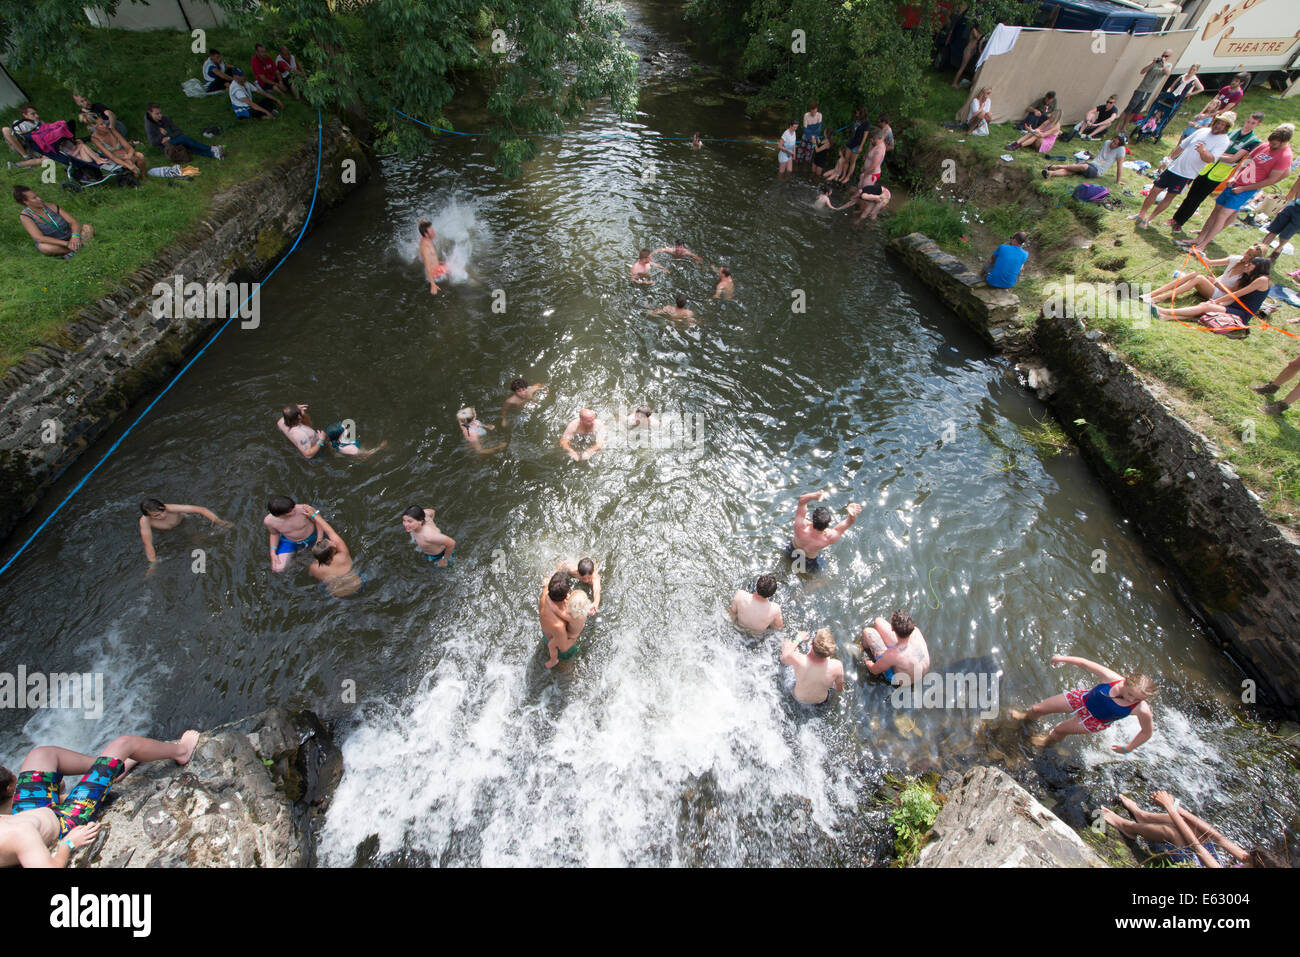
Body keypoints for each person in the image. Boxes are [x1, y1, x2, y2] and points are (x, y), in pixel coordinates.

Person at [0, 730, 199, 868]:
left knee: (42, 754)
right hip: (65, 820)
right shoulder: (20, 834)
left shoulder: (16, 830)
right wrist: (68, 844)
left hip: (30, 814)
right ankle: (181, 751)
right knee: (125, 743)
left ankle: (108, 770)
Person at [1178, 127, 1294, 253]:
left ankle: (1202, 246)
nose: (1271, 146)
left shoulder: (1285, 156)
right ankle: (1199, 239)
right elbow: (1247, 161)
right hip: (1235, 183)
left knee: (1222, 215)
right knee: (1216, 211)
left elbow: (1271, 180)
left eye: (1274, 144)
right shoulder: (1265, 146)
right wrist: (1234, 176)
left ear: (1284, 141)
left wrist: (1244, 188)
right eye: (1270, 142)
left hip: (1247, 189)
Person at [1011, 654, 1156, 751]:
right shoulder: (1113, 679)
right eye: (1130, 694)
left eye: (1137, 699)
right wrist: (1061, 658)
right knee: (1037, 709)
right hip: (1081, 699)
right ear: (1125, 682)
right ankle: (1026, 717)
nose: (1131, 700)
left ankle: (1047, 742)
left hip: (1094, 720)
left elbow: (1146, 732)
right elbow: (1085, 663)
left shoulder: (1142, 710)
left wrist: (1128, 748)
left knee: (1060, 729)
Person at [1101, 791, 1278, 868]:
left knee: (1175, 833)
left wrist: (1169, 808)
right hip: (1203, 857)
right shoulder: (1249, 860)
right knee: (1195, 828)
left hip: (1194, 864)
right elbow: (1219, 837)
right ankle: (1142, 815)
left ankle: (1127, 827)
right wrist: (1179, 810)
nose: (1245, 856)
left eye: (1249, 861)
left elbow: (1196, 847)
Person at [1130, 113, 1234, 228]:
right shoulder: (1202, 131)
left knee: (1169, 196)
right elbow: (1182, 145)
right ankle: (1141, 214)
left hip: (1187, 174)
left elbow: (1211, 159)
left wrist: (1202, 151)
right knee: (1154, 190)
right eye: (1218, 122)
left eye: (1222, 124)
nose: (1218, 126)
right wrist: (1168, 159)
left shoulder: (1223, 141)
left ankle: (1149, 219)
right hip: (1174, 168)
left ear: (1226, 127)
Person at [1169, 111, 1264, 234]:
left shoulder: (1253, 141)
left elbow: (1234, 158)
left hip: (1218, 174)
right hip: (1206, 168)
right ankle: (1175, 218)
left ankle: (1180, 222)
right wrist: (1213, 154)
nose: (1248, 124)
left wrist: (1214, 155)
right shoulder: (1232, 132)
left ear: (1257, 124)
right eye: (1248, 121)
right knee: (1190, 195)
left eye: (1253, 123)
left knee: (1197, 199)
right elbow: (1217, 149)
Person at [1151, 257, 1272, 337]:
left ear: (1258, 266)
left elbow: (1237, 294)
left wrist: (1217, 301)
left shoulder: (1262, 280)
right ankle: (1165, 316)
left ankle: (1164, 311)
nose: (1247, 265)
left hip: (1241, 313)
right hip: (1233, 306)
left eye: (1251, 264)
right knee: (1204, 308)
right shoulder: (1252, 277)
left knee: (1206, 306)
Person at [1141, 243, 1267, 304]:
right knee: (1194, 274)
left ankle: (1160, 298)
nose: (1246, 256)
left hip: (1220, 295)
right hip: (1215, 285)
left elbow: (1232, 293)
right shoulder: (1236, 259)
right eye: (1247, 253)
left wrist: (1216, 282)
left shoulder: (1249, 274)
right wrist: (1200, 255)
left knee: (1199, 278)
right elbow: (1209, 263)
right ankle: (1153, 293)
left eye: (1250, 256)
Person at [137, 498, 230, 563]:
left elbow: (201, 509)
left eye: (163, 511)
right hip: (168, 532)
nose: (163, 515)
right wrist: (153, 563)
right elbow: (148, 544)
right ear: (148, 516)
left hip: (184, 523)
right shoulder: (145, 521)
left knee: (195, 540)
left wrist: (219, 521)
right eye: (157, 515)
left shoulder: (170, 508)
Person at [787, 490, 862, 571]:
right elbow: (848, 522)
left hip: (792, 550)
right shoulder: (830, 537)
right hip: (809, 560)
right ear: (828, 524)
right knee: (820, 573)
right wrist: (851, 514)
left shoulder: (800, 526)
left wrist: (816, 495)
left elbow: (802, 501)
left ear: (813, 518)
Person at [14, 186, 93, 259]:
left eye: (37, 195)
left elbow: (73, 221)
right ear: (26, 202)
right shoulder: (25, 217)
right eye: (34, 198)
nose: (39, 199)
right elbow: (39, 238)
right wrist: (66, 244)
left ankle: (77, 248)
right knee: (44, 247)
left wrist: (75, 236)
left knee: (87, 227)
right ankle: (72, 250)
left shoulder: (51, 206)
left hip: (70, 235)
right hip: (55, 243)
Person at [858, 610, 931, 686]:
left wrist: (866, 661)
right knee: (878, 621)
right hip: (921, 670)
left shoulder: (893, 655)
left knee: (867, 632)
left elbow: (874, 670)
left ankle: (863, 646)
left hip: (902, 680)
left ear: (892, 628)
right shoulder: (916, 631)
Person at [780, 629, 845, 705]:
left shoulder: (799, 659)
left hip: (798, 699)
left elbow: (784, 658)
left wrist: (798, 639)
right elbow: (839, 689)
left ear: (811, 643)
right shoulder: (837, 666)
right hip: (820, 702)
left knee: (787, 645)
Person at [144, 103, 225, 160]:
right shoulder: (149, 125)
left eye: (160, 113)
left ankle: (213, 154)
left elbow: (178, 131)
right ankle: (211, 148)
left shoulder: (165, 118)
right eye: (157, 114)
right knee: (184, 139)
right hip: (165, 145)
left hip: (171, 138)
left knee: (188, 146)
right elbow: (153, 143)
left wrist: (169, 137)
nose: (160, 115)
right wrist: (162, 135)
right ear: (150, 113)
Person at [1118, 49, 1173, 132]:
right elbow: (1142, 71)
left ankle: (1124, 126)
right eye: (1163, 55)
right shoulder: (1154, 62)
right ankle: (1118, 125)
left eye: (1166, 56)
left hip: (1149, 91)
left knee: (1136, 110)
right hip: (1141, 89)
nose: (1163, 57)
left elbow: (1167, 74)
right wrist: (1152, 63)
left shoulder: (1168, 65)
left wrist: (1163, 65)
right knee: (1130, 107)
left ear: (1169, 57)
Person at [264, 496, 324, 572]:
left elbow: (319, 522)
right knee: (278, 568)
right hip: (289, 541)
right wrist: (272, 552)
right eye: (290, 511)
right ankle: (299, 562)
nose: (294, 510)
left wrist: (319, 539)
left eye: (293, 506)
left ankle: (305, 561)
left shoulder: (304, 509)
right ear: (279, 515)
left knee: (324, 558)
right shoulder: (269, 521)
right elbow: (274, 534)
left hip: (313, 536)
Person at [1042, 132, 1126, 186]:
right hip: (1091, 164)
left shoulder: (1120, 150)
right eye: (1113, 140)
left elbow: (1119, 167)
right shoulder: (1107, 142)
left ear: (1119, 145)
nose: (1112, 143)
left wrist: (1118, 181)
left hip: (1097, 171)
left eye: (1115, 143)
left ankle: (1056, 166)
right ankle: (1050, 173)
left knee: (1083, 166)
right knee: (1071, 170)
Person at [307, 515, 362, 597]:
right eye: (333, 544)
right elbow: (330, 532)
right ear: (332, 553)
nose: (335, 543)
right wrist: (315, 515)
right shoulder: (343, 556)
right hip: (358, 587)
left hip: (337, 594)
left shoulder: (314, 568)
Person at [540, 571, 585, 667]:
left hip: (547, 633)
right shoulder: (559, 625)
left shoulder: (545, 593)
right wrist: (574, 638)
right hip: (561, 644)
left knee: (549, 645)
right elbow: (564, 648)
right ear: (568, 592)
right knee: (567, 668)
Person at [87, 112, 146, 179]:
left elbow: (129, 147)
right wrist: (127, 164)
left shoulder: (111, 131)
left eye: (104, 122)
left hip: (125, 155)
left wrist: (128, 156)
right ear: (95, 126)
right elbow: (111, 156)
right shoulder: (95, 139)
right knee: (133, 169)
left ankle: (143, 176)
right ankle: (134, 177)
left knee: (140, 156)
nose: (105, 125)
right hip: (113, 160)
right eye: (101, 124)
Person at [1258, 171, 1300, 258]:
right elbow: (1293, 189)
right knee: (1274, 229)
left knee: (1286, 234)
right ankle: (1260, 251)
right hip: (1294, 205)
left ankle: (1278, 249)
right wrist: (1284, 204)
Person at [416, 219, 447, 294]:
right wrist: (433, 284)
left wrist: (422, 221)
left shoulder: (425, 238)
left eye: (433, 230)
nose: (434, 232)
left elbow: (431, 258)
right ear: (426, 234)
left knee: (456, 265)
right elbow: (427, 265)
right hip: (436, 273)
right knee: (458, 270)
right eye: (431, 232)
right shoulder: (426, 247)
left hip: (438, 267)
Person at [797, 101, 822, 171]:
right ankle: (797, 168)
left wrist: (811, 130)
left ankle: (804, 171)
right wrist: (813, 131)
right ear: (810, 109)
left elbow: (819, 129)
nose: (813, 112)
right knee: (799, 153)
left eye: (814, 110)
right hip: (806, 137)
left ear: (817, 109)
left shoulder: (819, 115)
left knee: (808, 155)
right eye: (812, 110)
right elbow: (805, 129)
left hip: (813, 139)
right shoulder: (806, 115)